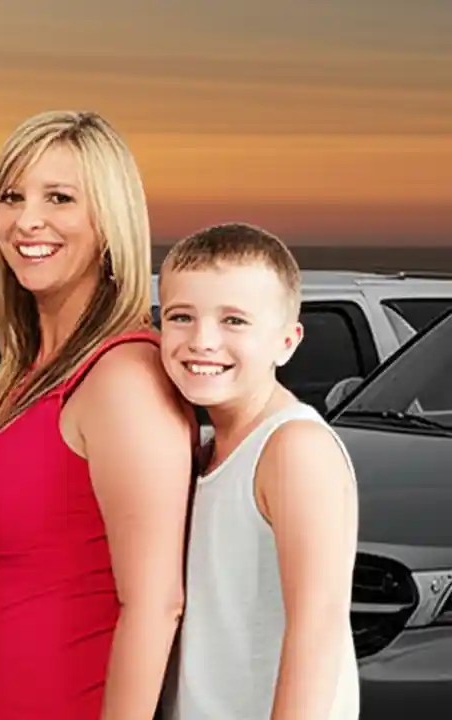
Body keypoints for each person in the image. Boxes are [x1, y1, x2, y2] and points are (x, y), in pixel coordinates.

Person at [0, 110, 197, 720]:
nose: (27, 220)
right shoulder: (17, 375)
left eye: (59, 197)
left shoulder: (124, 378)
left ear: (109, 222)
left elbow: (156, 603)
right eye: (13, 197)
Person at [157, 222, 360, 720]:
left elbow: (318, 630)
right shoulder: (205, 449)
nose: (203, 340)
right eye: (182, 316)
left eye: (235, 321)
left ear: (288, 341)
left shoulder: (293, 448)